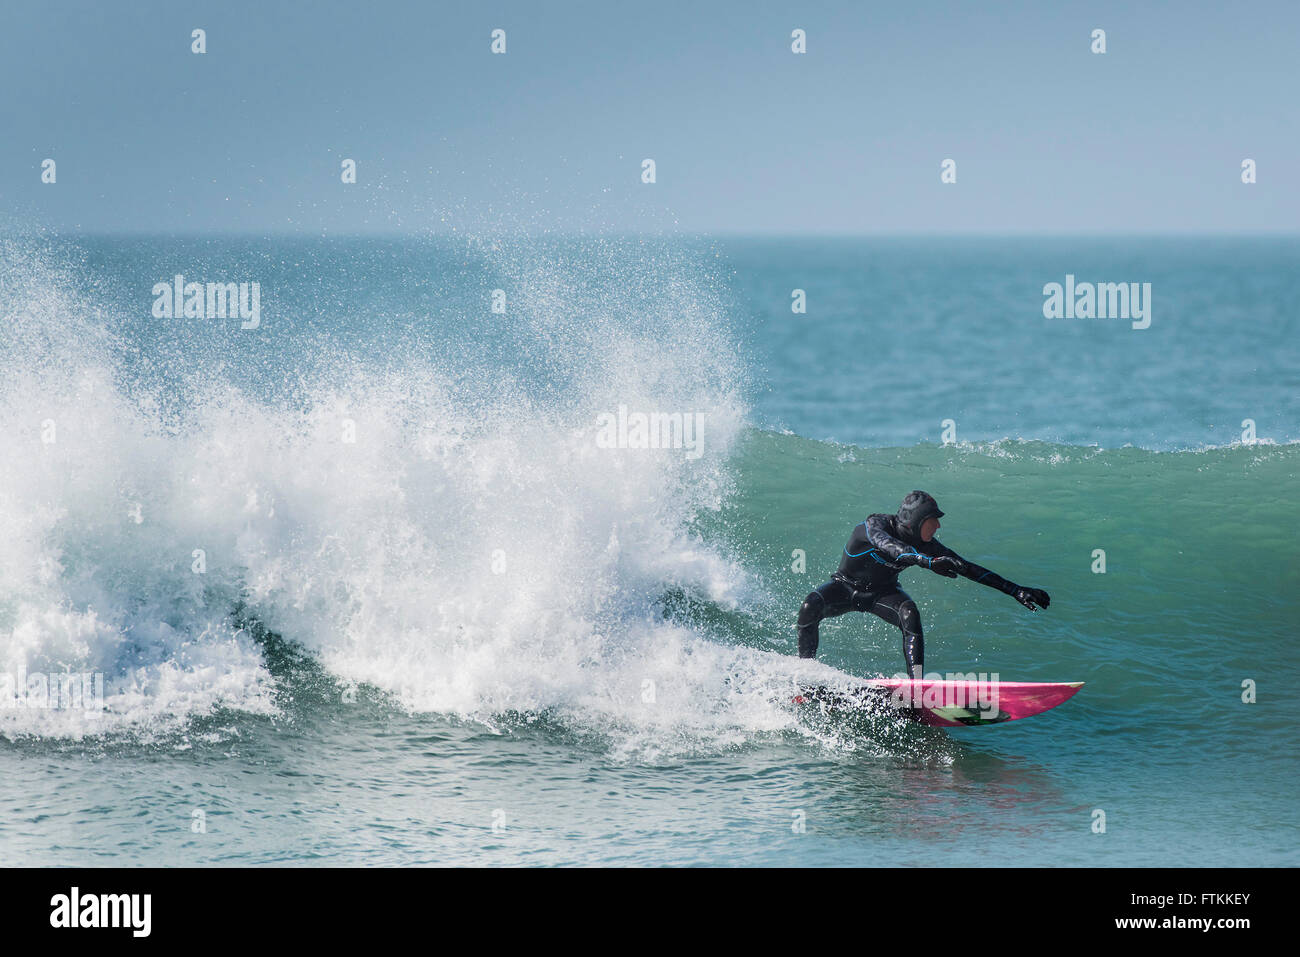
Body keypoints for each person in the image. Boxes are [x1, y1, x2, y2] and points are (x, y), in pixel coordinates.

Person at [796, 490, 1050, 678]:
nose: (938, 525)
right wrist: (927, 562)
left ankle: (915, 685)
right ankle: (806, 675)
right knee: (810, 605)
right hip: (845, 587)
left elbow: (968, 568)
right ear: (916, 521)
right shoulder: (875, 526)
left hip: (881, 594)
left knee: (909, 613)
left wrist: (1015, 590)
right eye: (933, 520)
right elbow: (894, 549)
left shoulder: (926, 545)